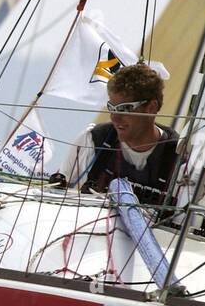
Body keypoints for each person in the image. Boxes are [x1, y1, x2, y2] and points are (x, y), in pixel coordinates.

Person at [59, 63, 180, 205]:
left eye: (125, 109)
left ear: (151, 107)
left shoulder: (180, 158)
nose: (115, 118)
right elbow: (57, 194)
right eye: (111, 107)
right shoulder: (92, 140)